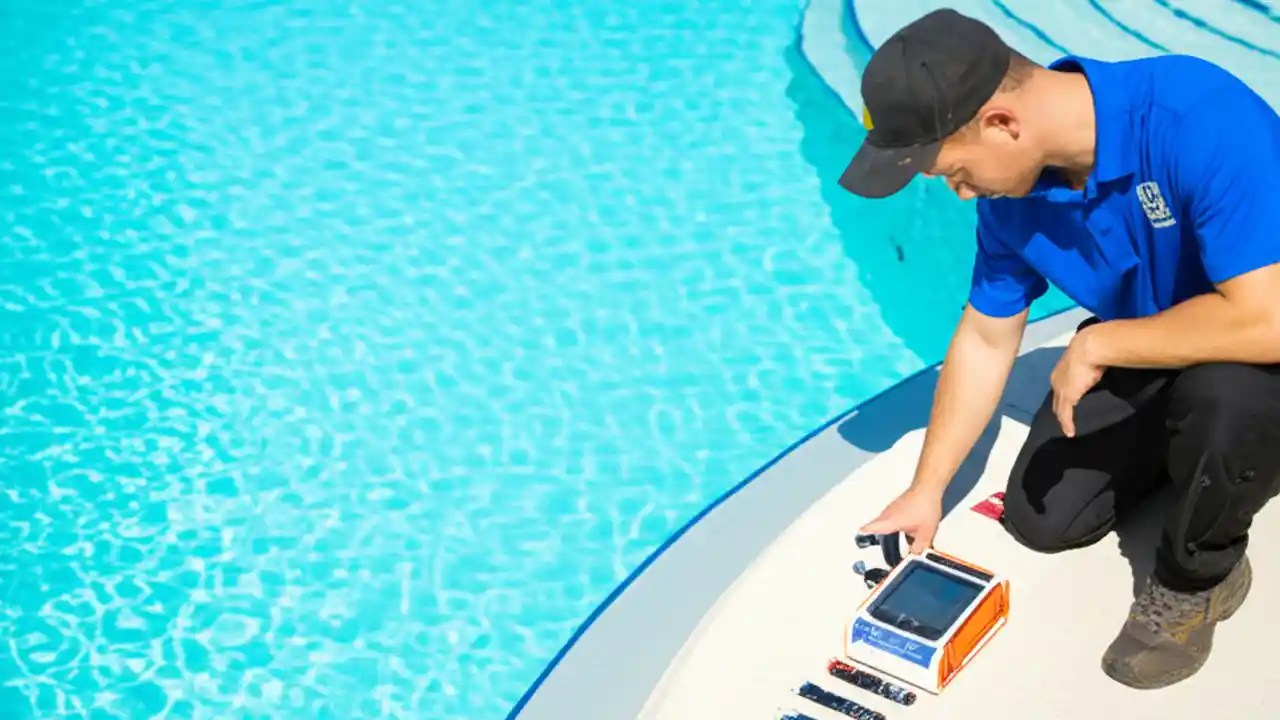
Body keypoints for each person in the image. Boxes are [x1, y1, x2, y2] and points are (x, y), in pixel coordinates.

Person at [840, 9, 1280, 690]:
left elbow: (1269, 320)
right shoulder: (1012, 199)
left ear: (1001, 123)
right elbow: (986, 336)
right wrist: (925, 492)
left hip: (1258, 340)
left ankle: (1203, 578)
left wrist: (1105, 340)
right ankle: (1196, 455)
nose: (960, 192)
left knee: (1226, 403)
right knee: (1043, 518)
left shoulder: (1195, 115)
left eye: (953, 172)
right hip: (1153, 346)